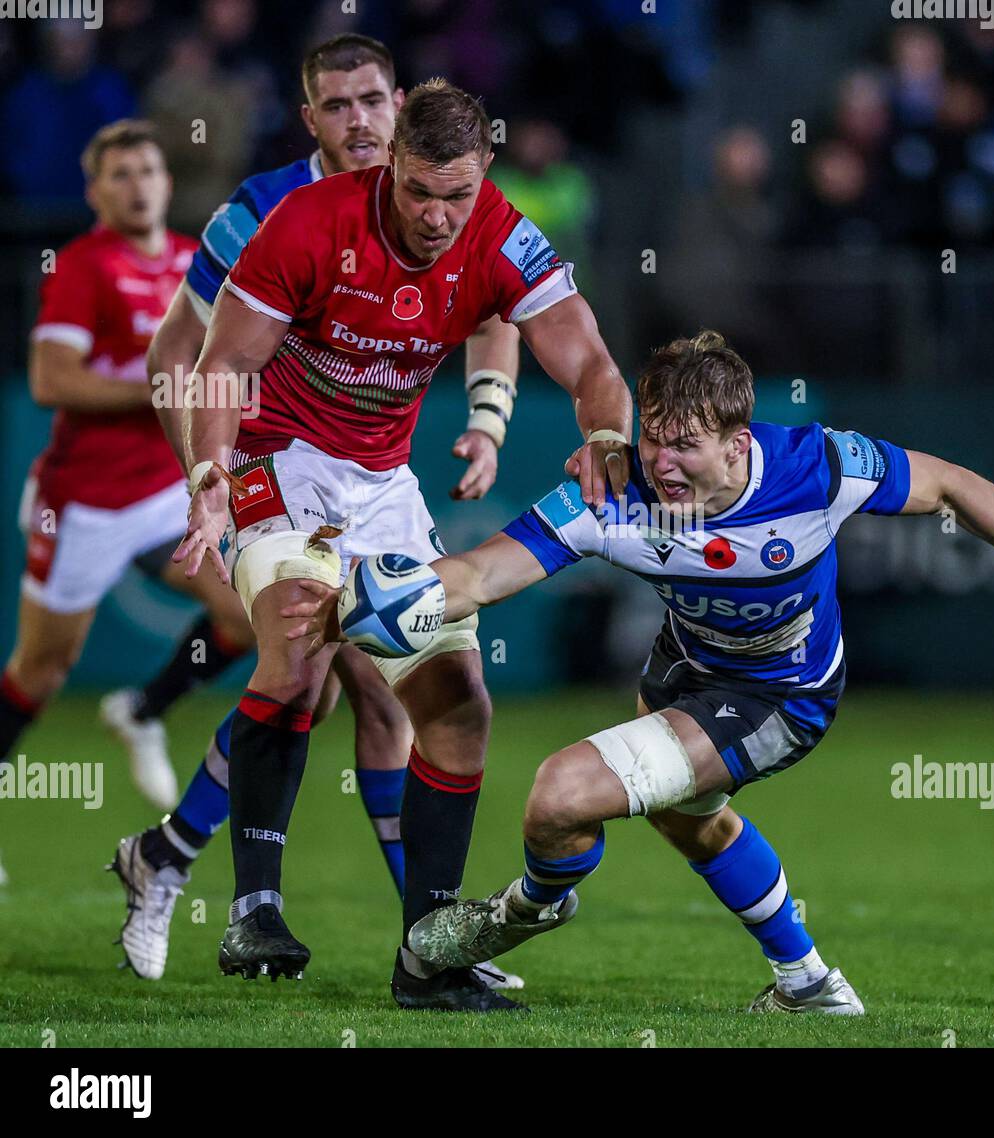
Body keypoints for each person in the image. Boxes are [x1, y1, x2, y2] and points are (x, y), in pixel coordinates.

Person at [285, 330, 994, 1013]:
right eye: (651, 437)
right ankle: (811, 984)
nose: (660, 463)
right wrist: (387, 596)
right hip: (683, 675)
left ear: (739, 443)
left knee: (557, 794)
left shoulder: (816, 466)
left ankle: (525, 910)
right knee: (690, 822)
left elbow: (957, 486)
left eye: (684, 447)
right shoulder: (613, 490)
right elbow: (481, 574)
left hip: (784, 695)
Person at [174, 77, 632, 1012]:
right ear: (390, 164)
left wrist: (608, 436)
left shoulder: (502, 236)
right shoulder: (309, 223)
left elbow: (588, 360)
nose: (434, 215)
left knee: (460, 705)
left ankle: (430, 953)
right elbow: (223, 362)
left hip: (382, 484)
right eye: (418, 191)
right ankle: (254, 905)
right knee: (298, 643)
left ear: (485, 174)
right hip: (277, 458)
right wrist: (209, 475)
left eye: (455, 195)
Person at [110, 35, 520, 994]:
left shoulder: (431, 201)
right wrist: (207, 479)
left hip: (369, 478)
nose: (361, 121)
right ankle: (408, 934)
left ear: (401, 102)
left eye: (374, 98)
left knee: (371, 694)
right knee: (324, 677)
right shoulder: (262, 212)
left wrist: (488, 417)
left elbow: (499, 304)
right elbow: (178, 350)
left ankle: (173, 858)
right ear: (311, 120)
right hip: (267, 474)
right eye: (337, 106)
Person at [0, 119, 253, 816]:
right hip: (87, 499)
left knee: (247, 616)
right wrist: (166, 384)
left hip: (166, 490)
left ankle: (143, 709)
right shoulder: (85, 265)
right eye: (120, 175)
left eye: (147, 171)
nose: (137, 186)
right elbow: (51, 380)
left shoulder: (192, 262)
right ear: (95, 193)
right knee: (42, 670)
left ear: (168, 183)